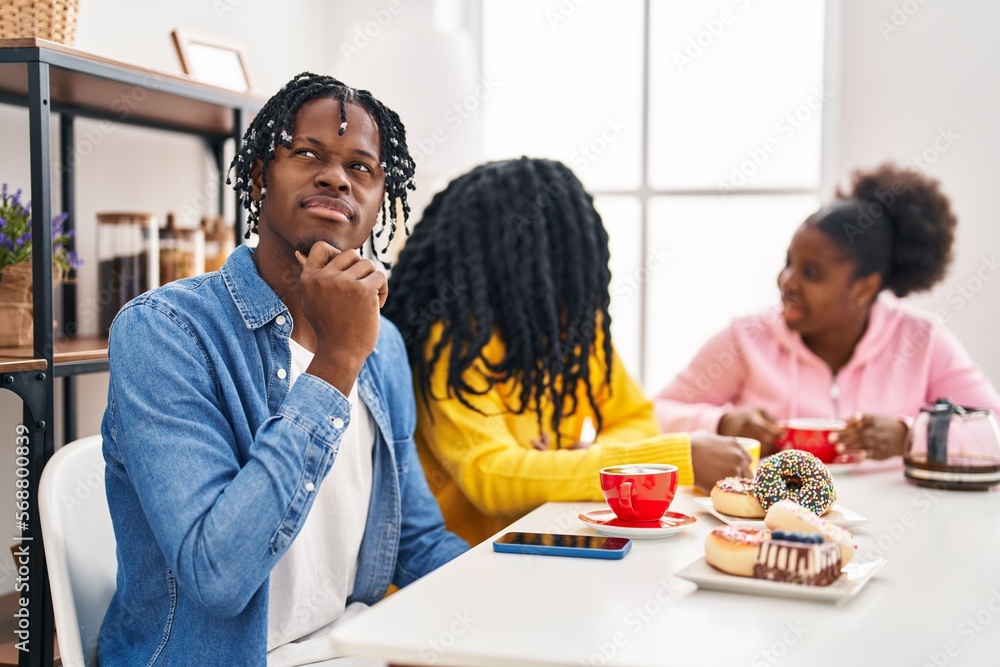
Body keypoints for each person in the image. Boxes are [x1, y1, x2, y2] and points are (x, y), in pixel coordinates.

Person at [99, 72, 468, 667]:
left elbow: (415, 540)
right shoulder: (165, 332)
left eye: (362, 168)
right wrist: (338, 360)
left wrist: (519, 594)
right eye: (307, 154)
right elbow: (215, 575)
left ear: (380, 204)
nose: (336, 177)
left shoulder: (385, 343)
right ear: (257, 177)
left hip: (350, 648)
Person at [383, 157, 751, 545]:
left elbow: (637, 418)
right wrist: (676, 459)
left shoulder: (574, 327)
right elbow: (490, 476)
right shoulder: (454, 343)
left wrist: (588, 458)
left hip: (546, 545)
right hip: (461, 565)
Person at [654, 163, 1000, 460]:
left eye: (812, 273)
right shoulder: (747, 339)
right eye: (789, 263)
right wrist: (722, 424)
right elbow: (655, 415)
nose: (786, 282)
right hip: (777, 527)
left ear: (864, 288)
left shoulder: (922, 340)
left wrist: (909, 436)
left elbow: (993, 431)